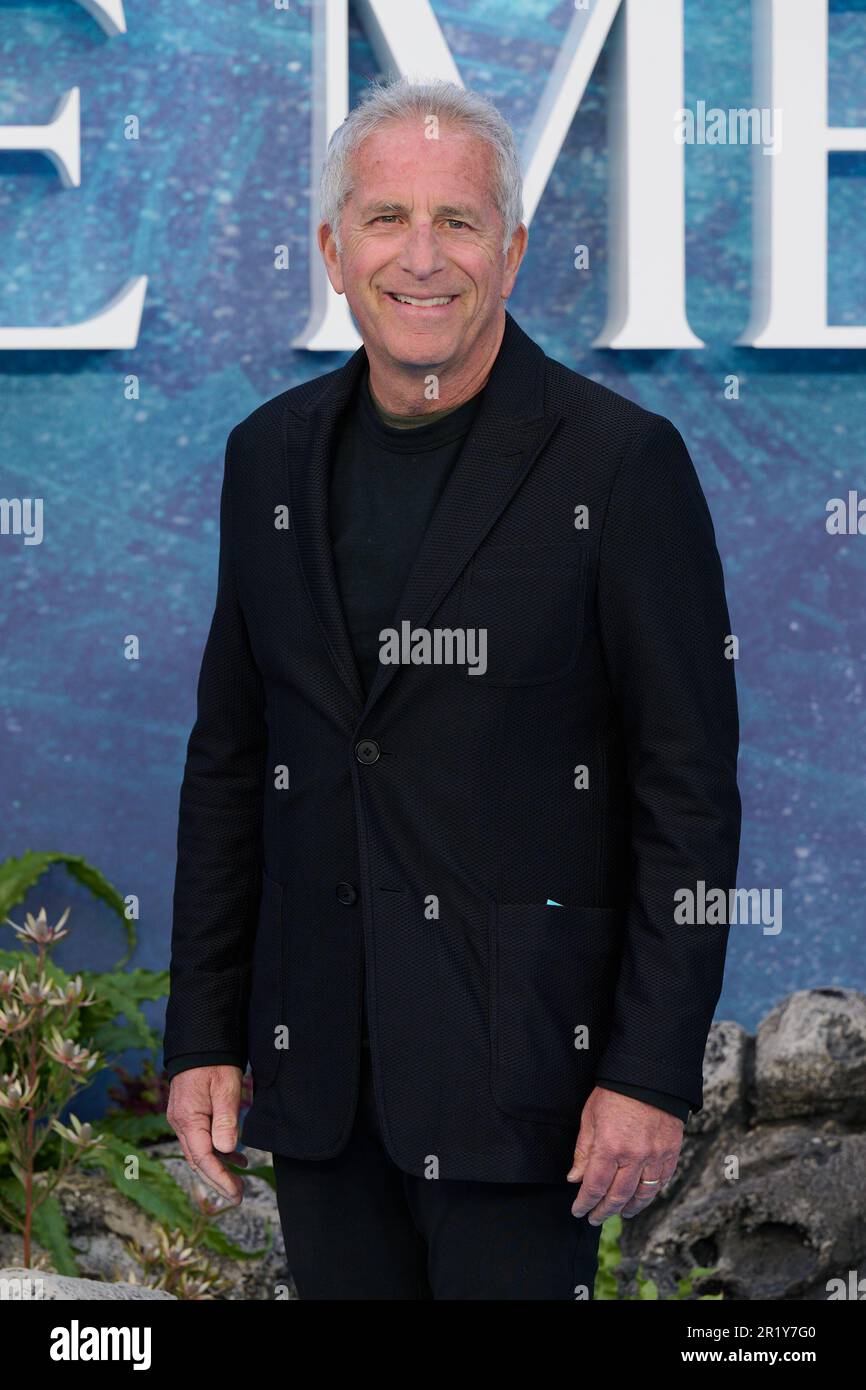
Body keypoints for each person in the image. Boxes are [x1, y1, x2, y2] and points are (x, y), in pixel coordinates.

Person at [164, 76, 741, 1300]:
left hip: (529, 1092)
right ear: (331, 249)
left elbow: (684, 792)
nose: (420, 258)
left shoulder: (622, 465)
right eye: (384, 220)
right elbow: (231, 761)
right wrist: (206, 1033)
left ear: (514, 252)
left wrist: (645, 1072)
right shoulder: (264, 455)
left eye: (459, 222)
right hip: (320, 1083)